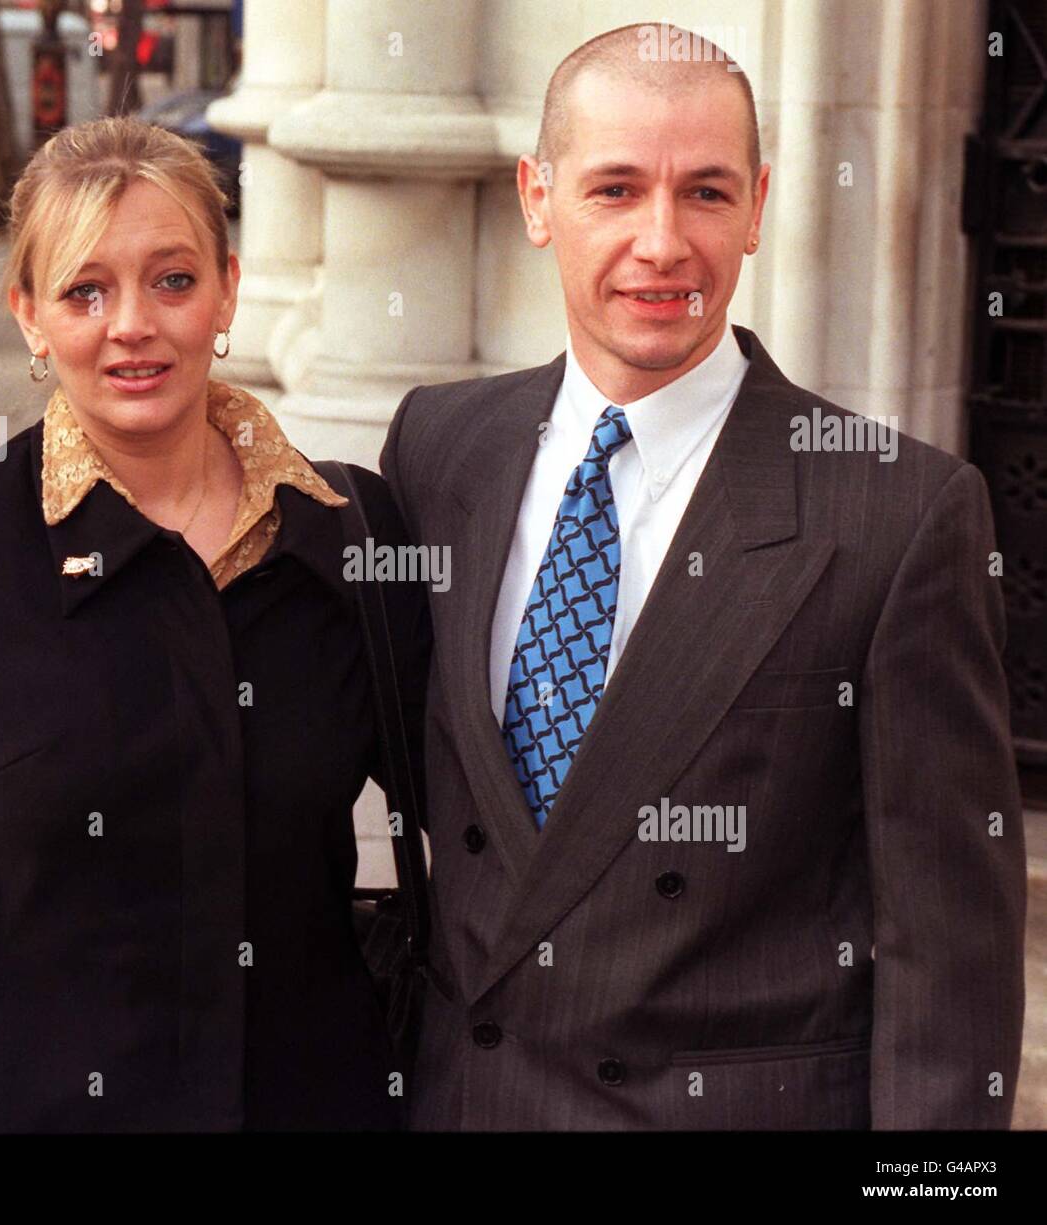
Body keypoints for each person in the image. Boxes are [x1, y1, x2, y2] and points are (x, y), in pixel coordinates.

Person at [380, 22, 1025, 1130]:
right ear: (538, 200)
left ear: (761, 207)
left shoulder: (896, 511)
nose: (662, 242)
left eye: (707, 193)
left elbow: (950, 954)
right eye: (616, 189)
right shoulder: (439, 448)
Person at [0, 116, 428, 1133]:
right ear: (28, 316)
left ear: (226, 288)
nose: (131, 323)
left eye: (172, 281)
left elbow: (484, 836)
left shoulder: (349, 534)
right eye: (85, 290)